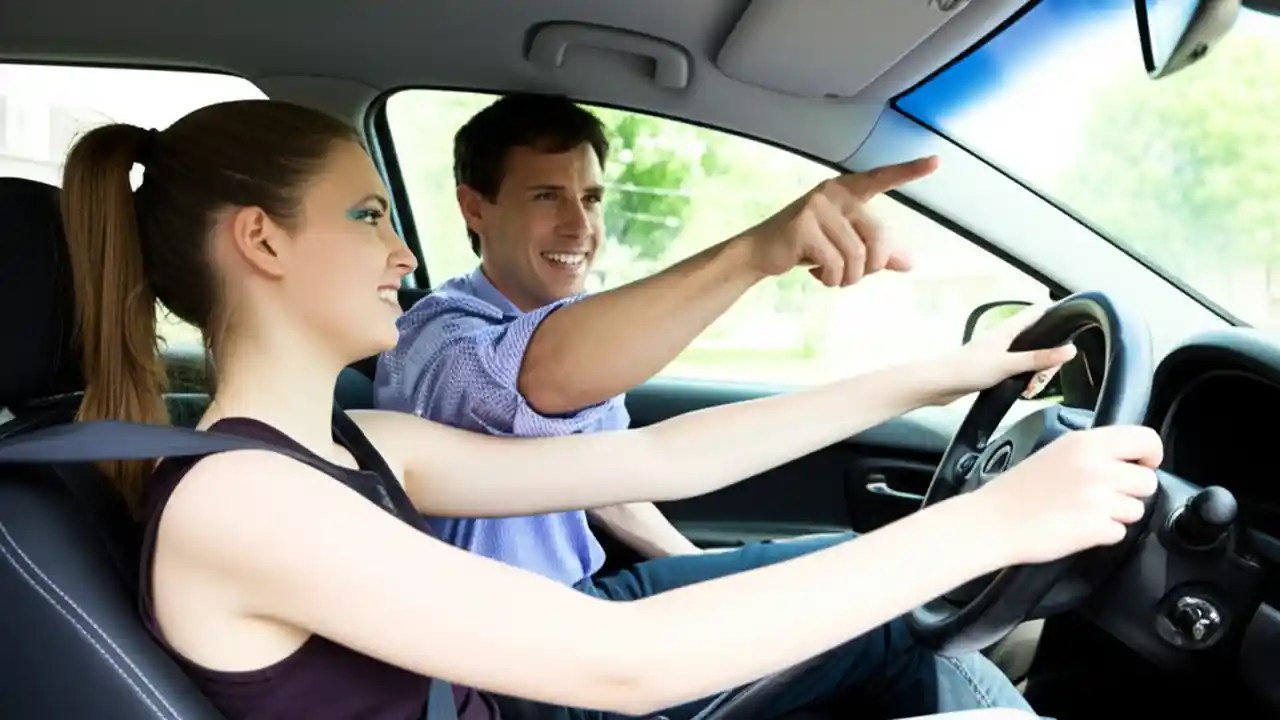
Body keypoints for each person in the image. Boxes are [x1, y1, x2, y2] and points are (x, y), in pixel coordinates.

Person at [61, 98, 1160, 720]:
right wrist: (994, 523)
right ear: (261, 242)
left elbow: (662, 464)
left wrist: (928, 377)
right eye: (365, 214)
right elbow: (619, 660)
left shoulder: (356, 445)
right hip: (541, 696)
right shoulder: (237, 500)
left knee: (895, 647)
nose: (402, 252)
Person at [372, 94, 1057, 716]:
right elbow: (544, 376)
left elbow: (628, 475)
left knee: (852, 582)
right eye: (547, 196)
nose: (580, 225)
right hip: (510, 670)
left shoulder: (567, 326)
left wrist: (700, 577)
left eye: (592, 197)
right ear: (474, 207)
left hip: (568, 617)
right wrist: (757, 251)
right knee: (885, 609)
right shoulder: (441, 339)